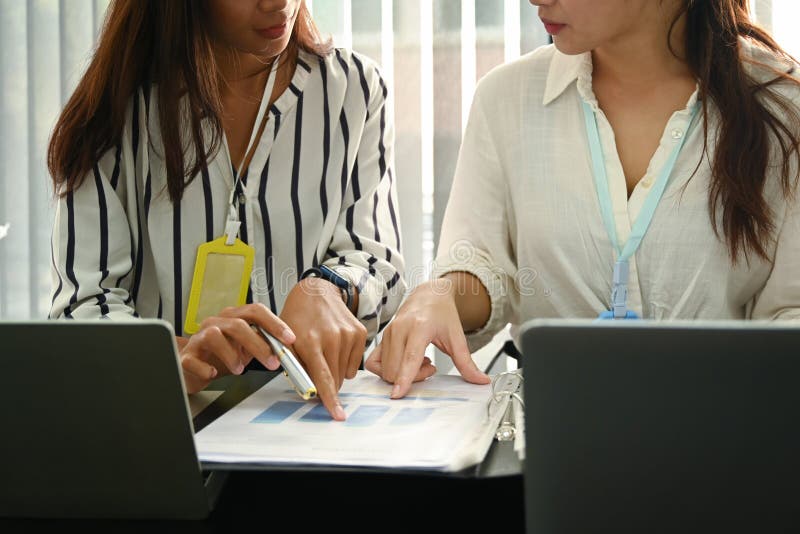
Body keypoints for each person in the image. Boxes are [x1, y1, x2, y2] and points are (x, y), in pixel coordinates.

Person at [366, 0, 800, 399]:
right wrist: (441, 292)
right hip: (549, 442)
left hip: (730, 443)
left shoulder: (784, 107)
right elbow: (483, 265)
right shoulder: (506, 97)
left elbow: (791, 314)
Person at [48, 0, 405, 421]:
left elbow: (378, 262)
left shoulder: (355, 88)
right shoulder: (116, 107)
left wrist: (329, 286)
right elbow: (82, 305)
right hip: (166, 433)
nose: (278, 3)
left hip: (321, 431)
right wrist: (164, 362)